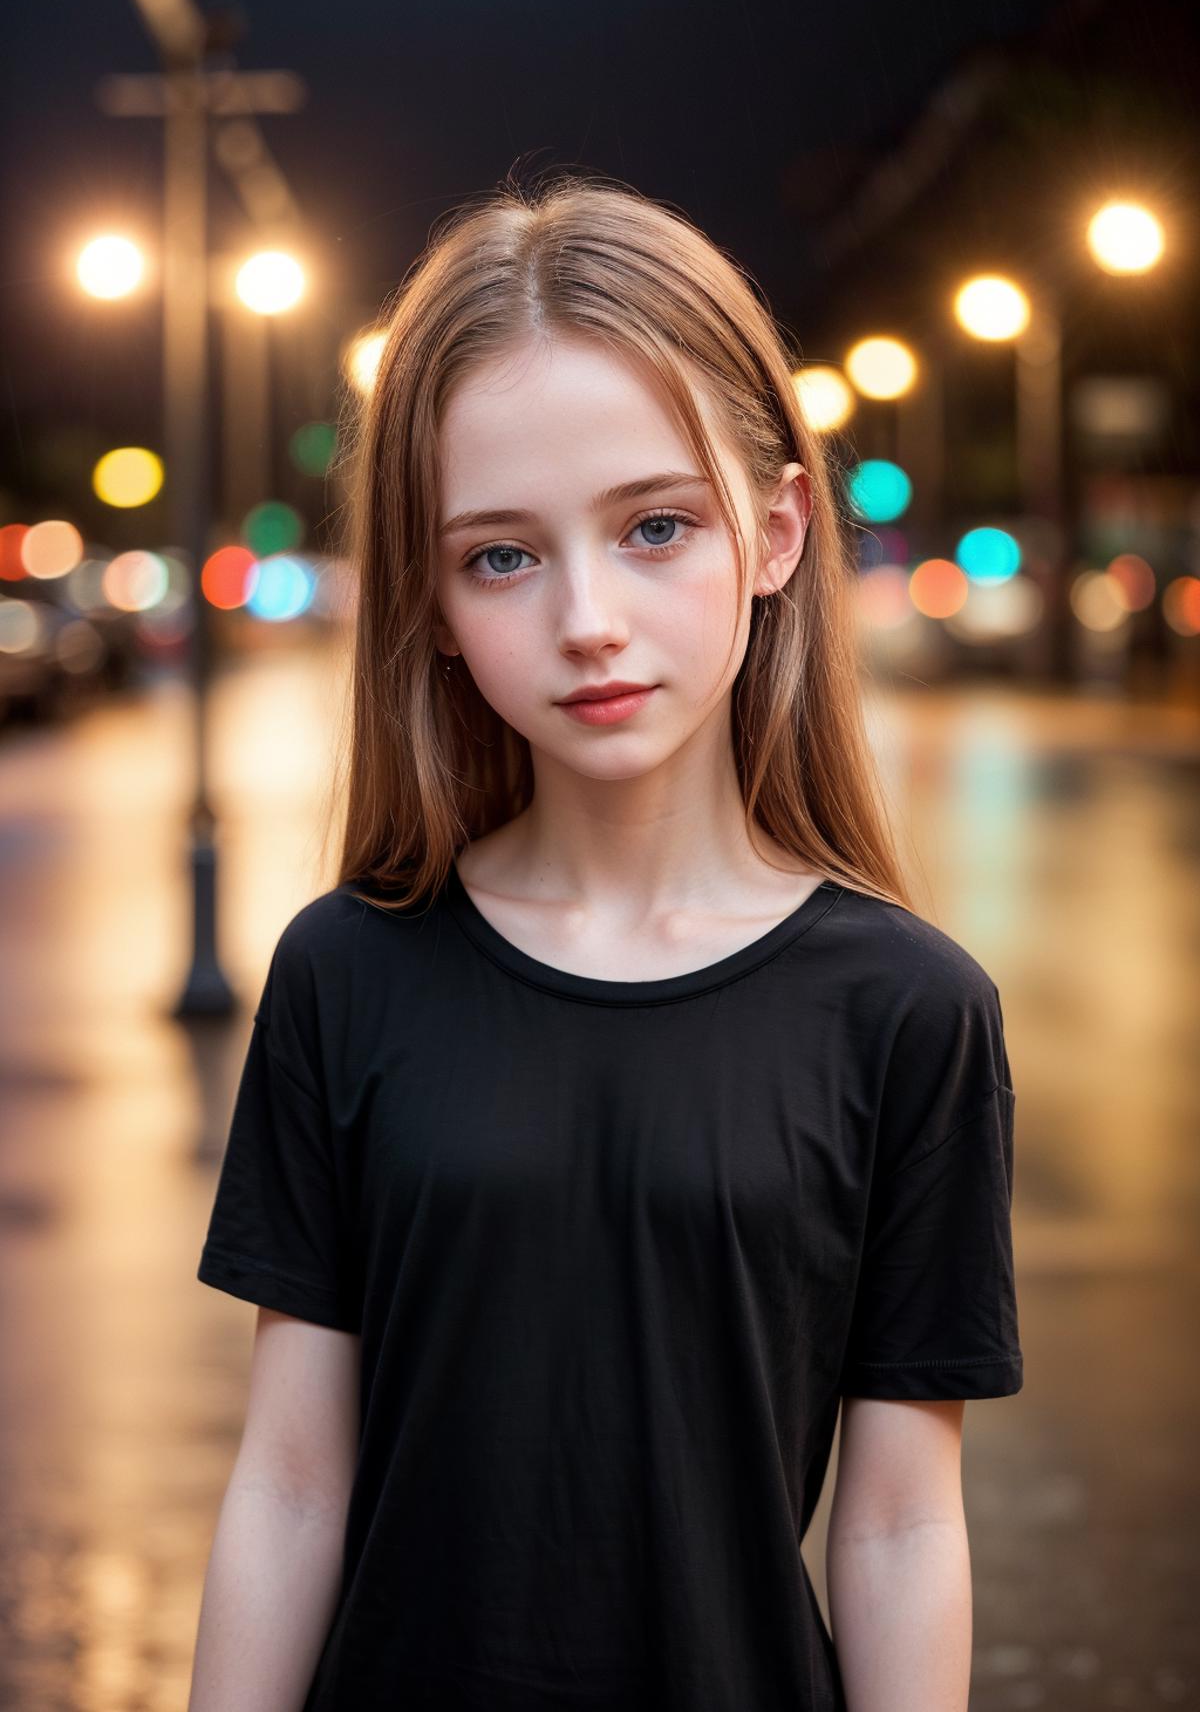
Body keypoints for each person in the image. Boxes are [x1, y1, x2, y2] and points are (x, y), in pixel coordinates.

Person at [189, 171, 1023, 1712]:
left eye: (654, 527)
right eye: (501, 554)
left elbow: (904, 1526)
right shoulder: (348, 974)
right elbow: (292, 1489)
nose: (588, 618)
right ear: (429, 602)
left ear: (774, 536)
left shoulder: (909, 1012)